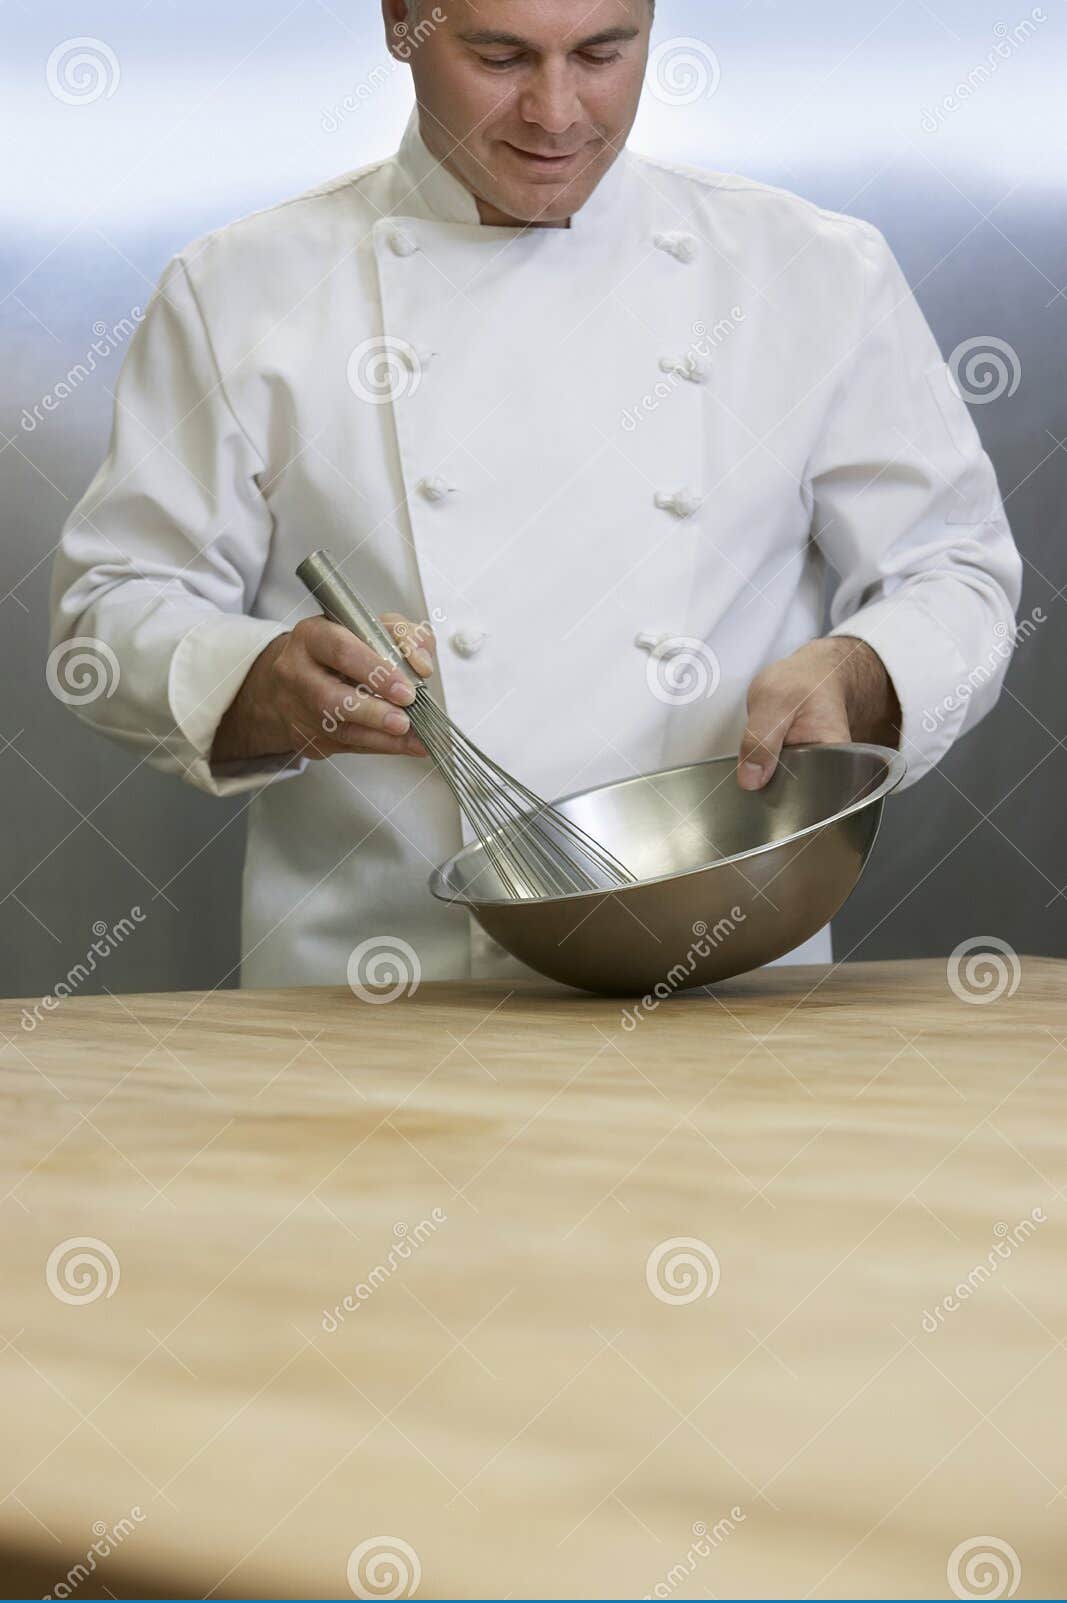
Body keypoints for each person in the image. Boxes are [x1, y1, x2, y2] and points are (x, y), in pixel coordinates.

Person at [50, 0, 1022, 988]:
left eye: (602, 52)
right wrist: (262, 684)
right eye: (499, 55)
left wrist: (862, 673)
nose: (555, 112)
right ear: (401, 23)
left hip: (727, 989)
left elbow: (954, 568)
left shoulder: (810, 270)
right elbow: (107, 616)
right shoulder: (240, 290)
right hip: (376, 1001)